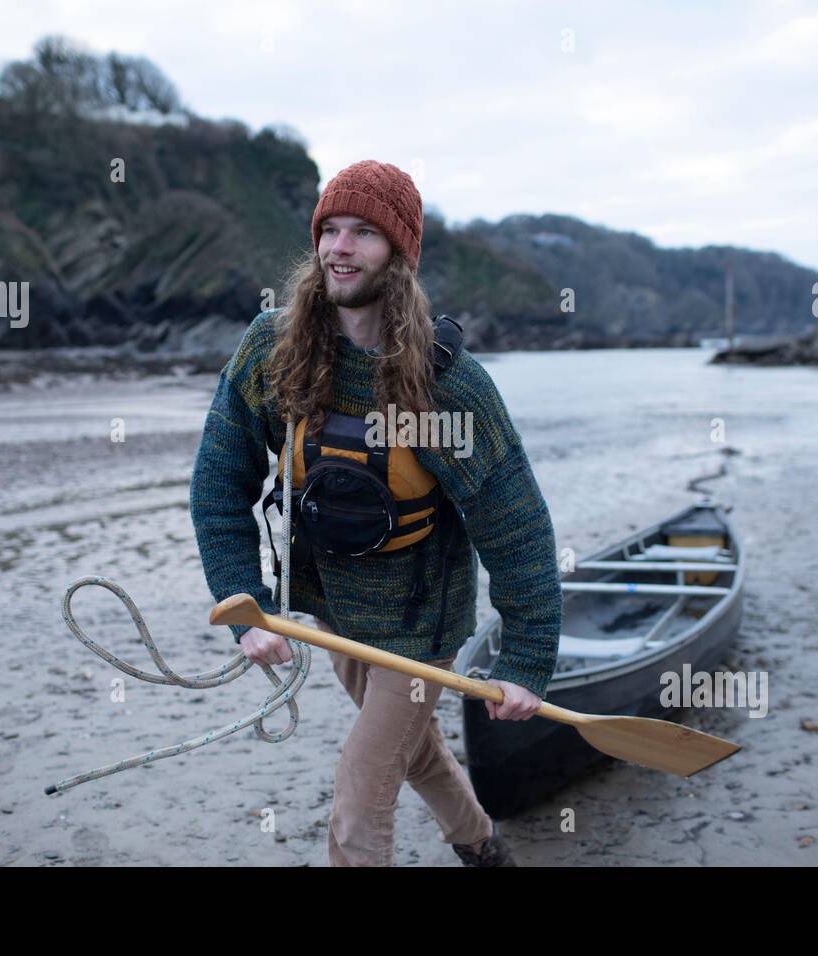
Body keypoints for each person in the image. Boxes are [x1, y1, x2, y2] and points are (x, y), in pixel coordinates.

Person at [189, 159, 561, 866]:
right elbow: (217, 483)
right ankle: (485, 848)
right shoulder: (275, 349)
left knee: (359, 803)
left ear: (400, 253)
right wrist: (244, 603)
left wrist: (527, 658)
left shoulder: (447, 385)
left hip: (420, 630)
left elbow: (517, 530)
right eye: (330, 229)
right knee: (414, 753)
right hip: (337, 617)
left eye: (363, 232)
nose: (340, 247)